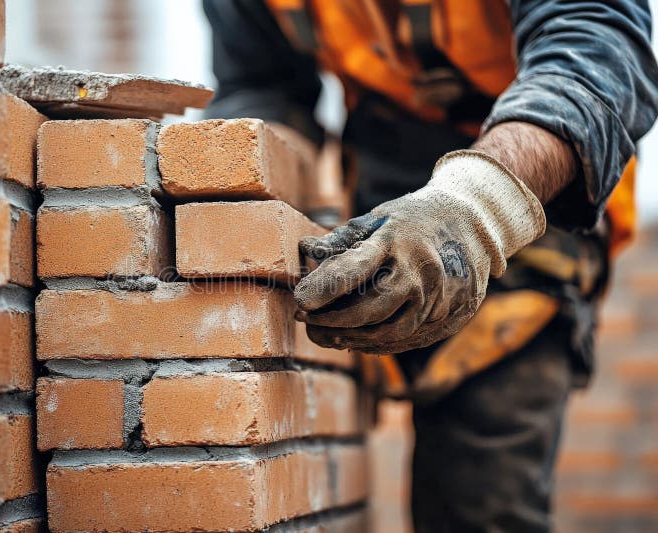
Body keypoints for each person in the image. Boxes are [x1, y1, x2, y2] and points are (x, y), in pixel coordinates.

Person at [202, 1, 658, 531]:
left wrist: (473, 210)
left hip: (531, 195)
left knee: (474, 496)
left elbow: (598, 57)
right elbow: (263, 86)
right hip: (382, 185)